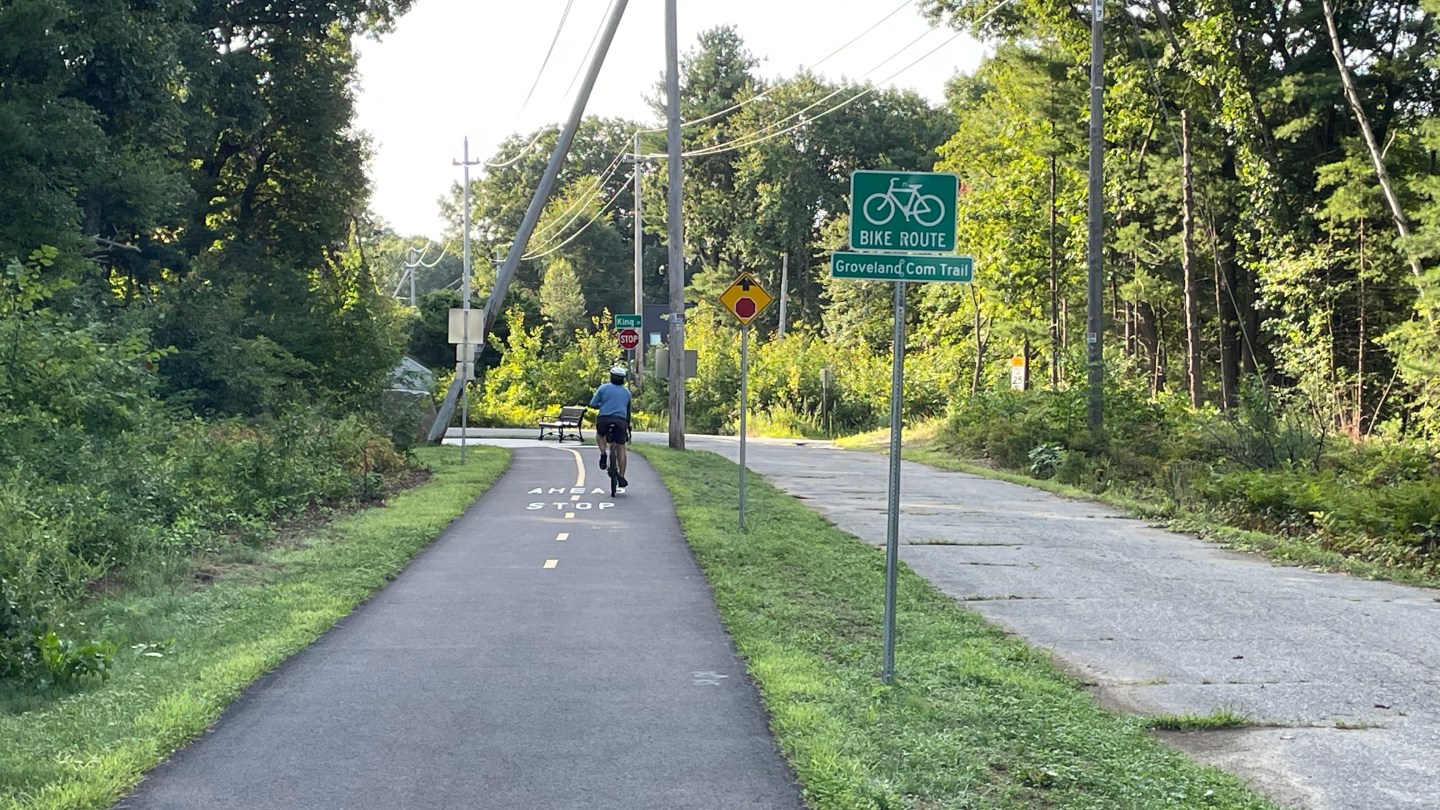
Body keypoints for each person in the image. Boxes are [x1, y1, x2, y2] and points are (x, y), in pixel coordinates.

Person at [590, 364, 632, 488]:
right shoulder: (627, 393)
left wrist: (602, 405)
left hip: (604, 419)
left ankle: (603, 453)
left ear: (611, 377)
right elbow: (628, 411)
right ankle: (622, 476)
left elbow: (592, 403)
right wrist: (628, 426)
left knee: (599, 435)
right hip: (621, 421)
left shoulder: (603, 388)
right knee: (621, 447)